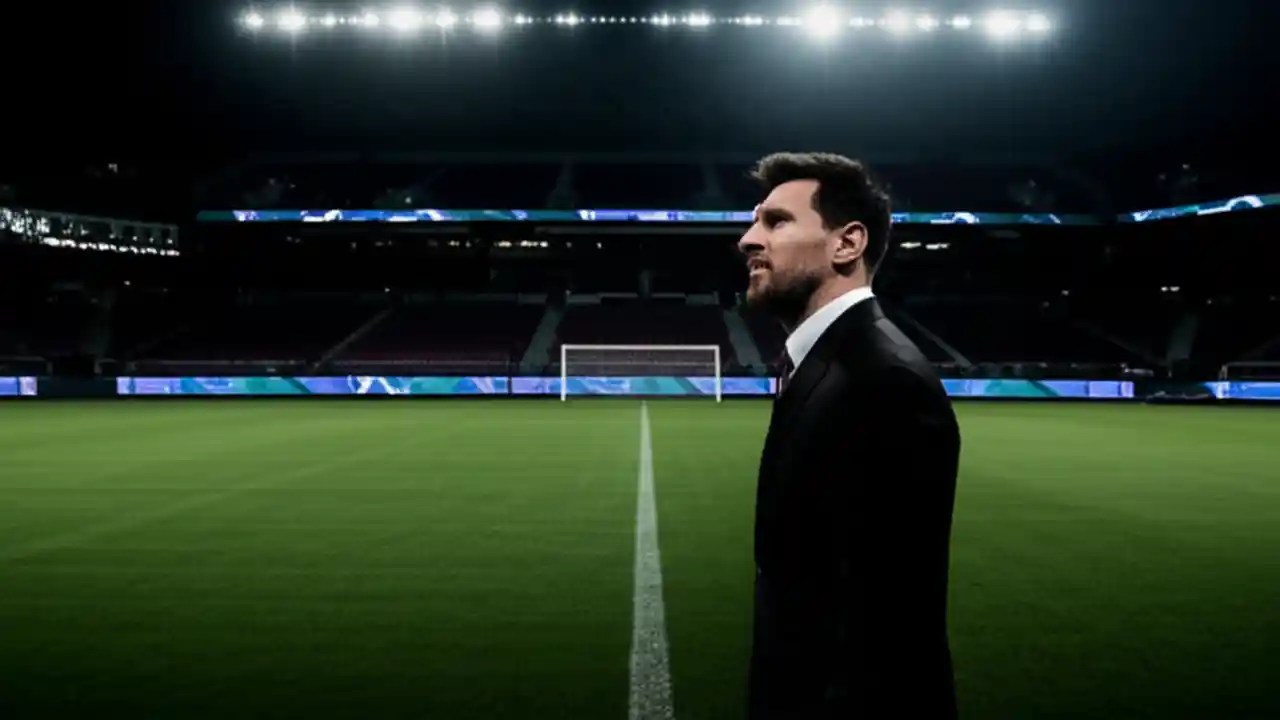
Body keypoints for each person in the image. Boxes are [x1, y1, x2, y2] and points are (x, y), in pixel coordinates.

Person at [737, 152, 961, 719]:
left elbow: (885, 630)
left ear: (847, 244)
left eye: (776, 221)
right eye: (755, 219)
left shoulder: (882, 380)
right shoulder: (830, 363)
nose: (747, 239)